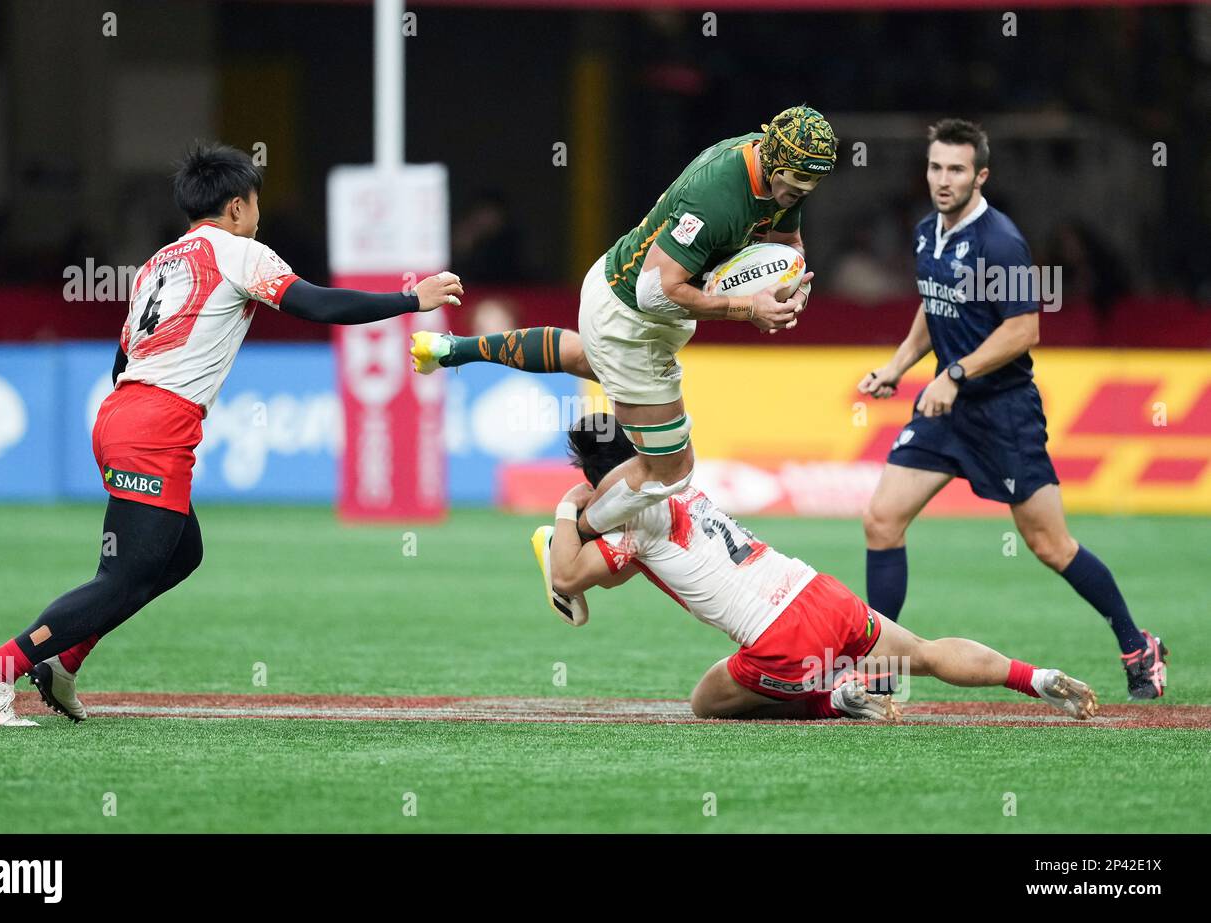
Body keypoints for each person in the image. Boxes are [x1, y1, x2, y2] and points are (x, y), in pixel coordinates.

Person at [0, 143, 464, 727]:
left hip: (121, 410)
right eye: (256, 204)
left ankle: (63, 661)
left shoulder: (158, 263)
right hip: (156, 425)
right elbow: (315, 305)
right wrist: (409, 300)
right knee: (122, 576)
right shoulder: (239, 253)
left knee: (178, 552)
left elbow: (123, 357)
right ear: (239, 207)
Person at [411, 105, 834, 540]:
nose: (802, 191)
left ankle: (451, 349)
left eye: (812, 183)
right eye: (797, 180)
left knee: (584, 356)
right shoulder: (719, 193)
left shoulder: (779, 173)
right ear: (771, 159)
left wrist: (791, 286)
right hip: (633, 318)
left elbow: (787, 248)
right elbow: (655, 290)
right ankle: (569, 535)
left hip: (623, 292)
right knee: (670, 471)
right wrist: (748, 308)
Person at [855, 119, 1166, 700]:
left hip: (1002, 414)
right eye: (935, 167)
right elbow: (934, 308)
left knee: (1051, 546)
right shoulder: (927, 232)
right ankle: (880, 668)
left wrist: (954, 372)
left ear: (981, 175)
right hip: (944, 411)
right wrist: (898, 367)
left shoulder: (1001, 241)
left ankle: (1136, 642)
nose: (943, 180)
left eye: (956, 170)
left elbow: (1025, 330)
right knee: (881, 520)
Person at [539, 414, 1099, 722]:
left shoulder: (631, 523)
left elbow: (567, 577)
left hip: (780, 638)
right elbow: (612, 571)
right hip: (819, 593)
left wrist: (568, 506)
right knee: (924, 653)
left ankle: (833, 698)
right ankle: (1037, 678)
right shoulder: (680, 485)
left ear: (593, 478)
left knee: (705, 703)